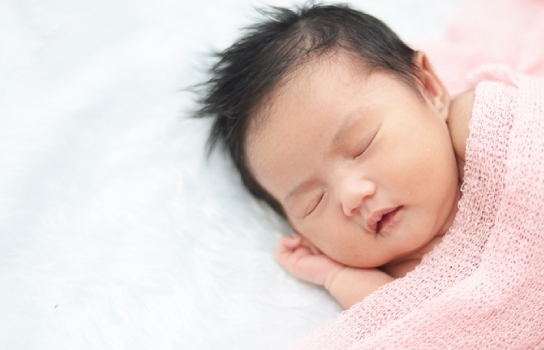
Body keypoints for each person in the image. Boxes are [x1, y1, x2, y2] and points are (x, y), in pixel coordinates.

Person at [194, 3, 476, 309]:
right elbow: (416, 330)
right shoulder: (384, 287)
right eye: (313, 202)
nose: (351, 196)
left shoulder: (482, 126)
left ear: (429, 89)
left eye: (362, 145)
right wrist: (336, 277)